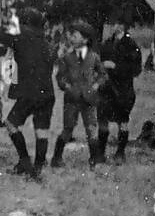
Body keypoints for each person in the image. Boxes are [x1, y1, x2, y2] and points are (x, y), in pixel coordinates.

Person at [0, 7, 57, 177]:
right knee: (41, 131)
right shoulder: (46, 41)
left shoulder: (22, 37)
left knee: (11, 124)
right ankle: (37, 169)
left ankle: (24, 161)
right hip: (47, 92)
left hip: (29, 93)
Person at [53, 20, 108, 168]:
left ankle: (94, 159)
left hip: (89, 99)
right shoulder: (67, 57)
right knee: (68, 128)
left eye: (75, 36)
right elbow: (60, 78)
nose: (71, 38)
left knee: (91, 129)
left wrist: (96, 85)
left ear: (85, 39)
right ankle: (56, 158)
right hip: (72, 99)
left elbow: (103, 74)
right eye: (71, 36)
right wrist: (67, 86)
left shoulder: (94, 57)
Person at [99, 20, 142, 163]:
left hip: (124, 89)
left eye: (117, 23)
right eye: (112, 23)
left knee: (123, 121)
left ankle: (120, 152)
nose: (114, 26)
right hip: (107, 88)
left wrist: (116, 67)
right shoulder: (107, 44)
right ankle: (100, 153)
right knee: (103, 119)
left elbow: (136, 70)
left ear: (123, 26)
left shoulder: (131, 45)